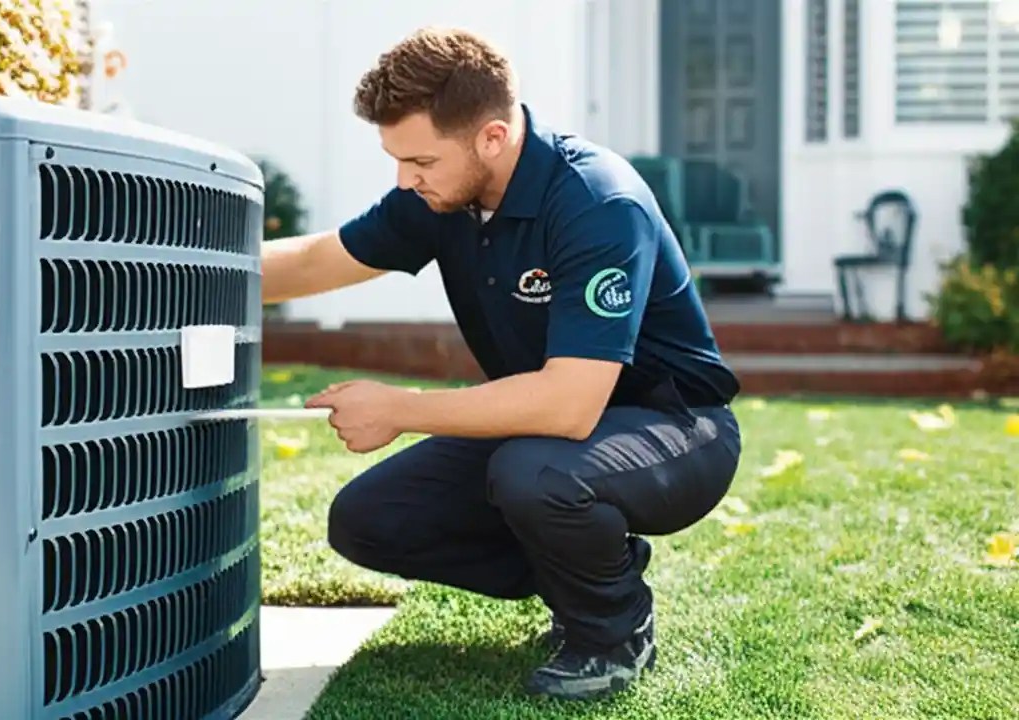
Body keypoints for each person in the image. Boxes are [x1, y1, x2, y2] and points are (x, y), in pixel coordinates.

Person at [259, 26, 743, 701]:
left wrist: (400, 408)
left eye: (420, 160)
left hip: (676, 428)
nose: (405, 179)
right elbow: (317, 260)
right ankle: (591, 567)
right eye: (397, 160)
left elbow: (568, 406)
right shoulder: (440, 195)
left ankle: (613, 632)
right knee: (369, 519)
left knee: (533, 473)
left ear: (491, 136)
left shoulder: (596, 202)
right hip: (551, 430)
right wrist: (171, 277)